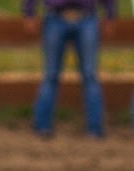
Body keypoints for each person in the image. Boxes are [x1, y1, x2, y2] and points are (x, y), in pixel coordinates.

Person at [24, 0, 116, 139]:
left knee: (89, 75)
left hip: (86, 16)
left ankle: (94, 128)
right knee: (52, 75)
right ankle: (42, 126)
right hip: (56, 16)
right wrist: (29, 12)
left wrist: (110, 14)